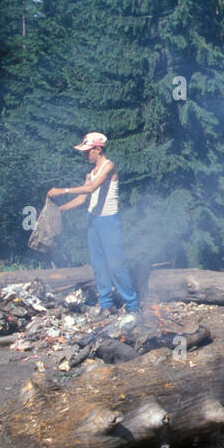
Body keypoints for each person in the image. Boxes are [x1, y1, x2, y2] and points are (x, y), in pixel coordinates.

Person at [49, 132, 140, 314]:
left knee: (115, 265)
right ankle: (106, 304)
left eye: (88, 151)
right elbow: (82, 199)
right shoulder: (90, 173)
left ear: (98, 149)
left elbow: (92, 188)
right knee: (98, 265)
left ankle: (132, 306)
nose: (86, 155)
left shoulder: (109, 166)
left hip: (109, 222)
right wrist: (60, 209)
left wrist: (63, 190)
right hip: (93, 221)